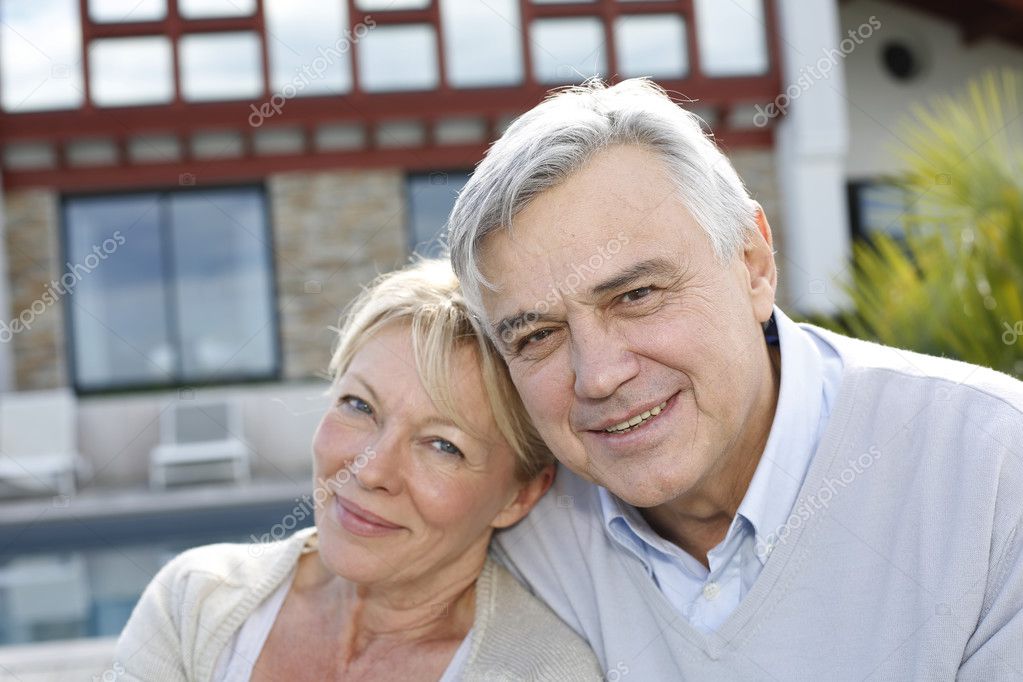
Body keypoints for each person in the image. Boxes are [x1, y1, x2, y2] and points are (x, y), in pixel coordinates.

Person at [447, 78, 1023, 679]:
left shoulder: (992, 469)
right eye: (537, 335)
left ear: (753, 264)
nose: (599, 376)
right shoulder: (521, 530)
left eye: (637, 295)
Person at [114, 259, 601, 681]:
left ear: (521, 495)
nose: (370, 471)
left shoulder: (546, 672)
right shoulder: (194, 602)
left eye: (442, 445)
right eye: (358, 405)